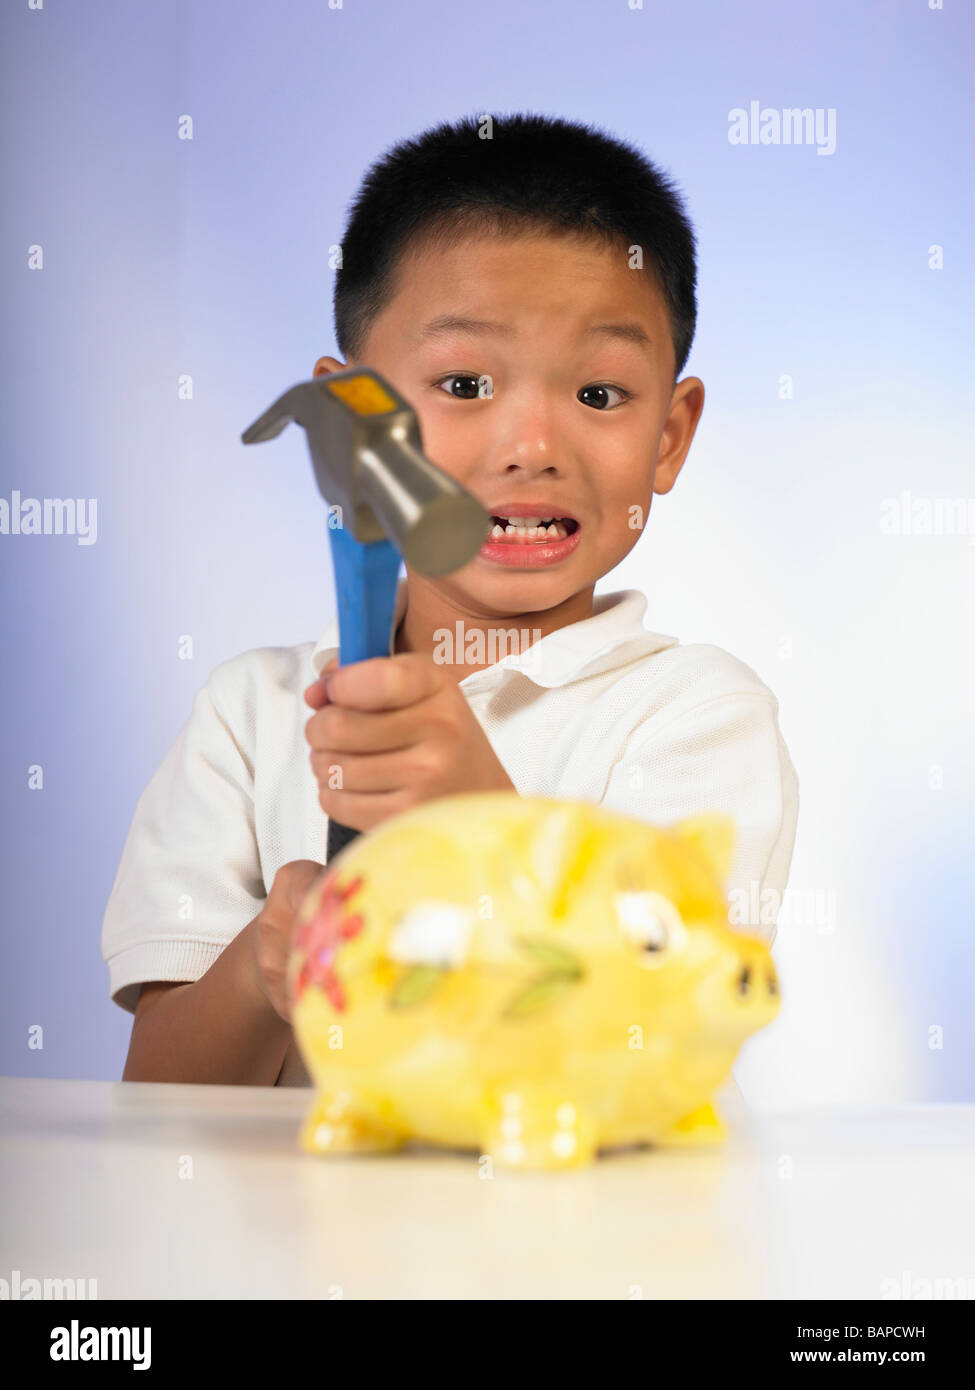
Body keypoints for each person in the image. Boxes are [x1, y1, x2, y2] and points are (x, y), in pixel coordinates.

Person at [103, 112, 798, 1088]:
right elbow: (157, 1102)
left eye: (599, 394)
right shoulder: (250, 717)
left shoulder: (695, 719)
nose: (533, 444)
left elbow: (652, 1052)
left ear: (671, 435)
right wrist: (265, 969)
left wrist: (477, 813)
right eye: (465, 380)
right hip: (275, 1246)